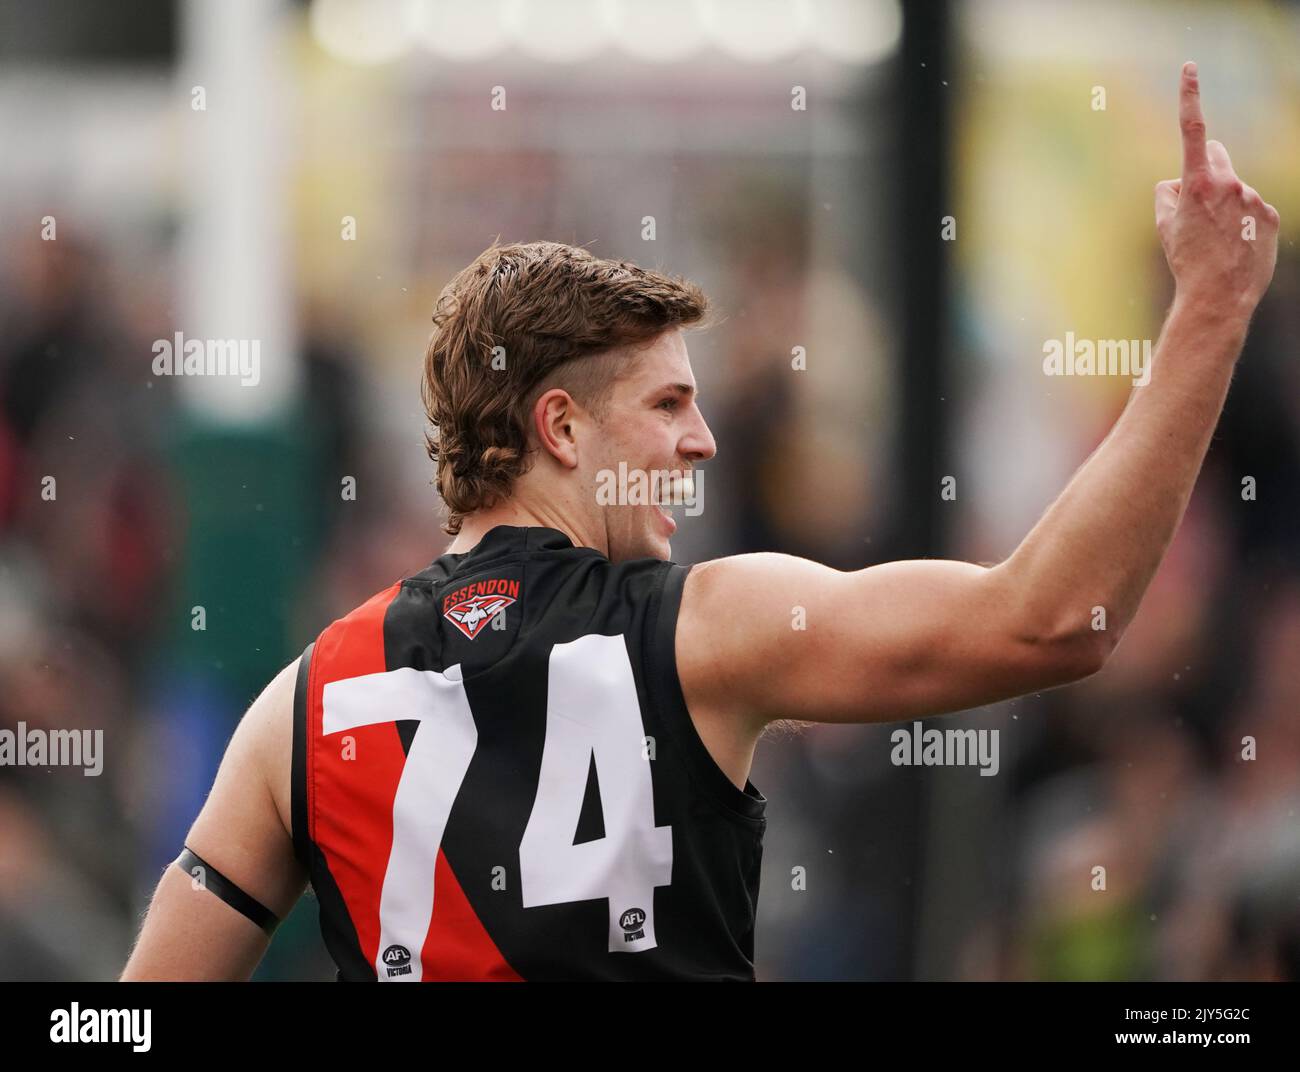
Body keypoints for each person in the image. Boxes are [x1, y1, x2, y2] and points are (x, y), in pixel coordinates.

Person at [122, 63, 1279, 981]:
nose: (703, 441)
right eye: (669, 404)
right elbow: (1053, 621)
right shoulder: (708, 628)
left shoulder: (302, 702)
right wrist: (1211, 312)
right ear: (562, 429)